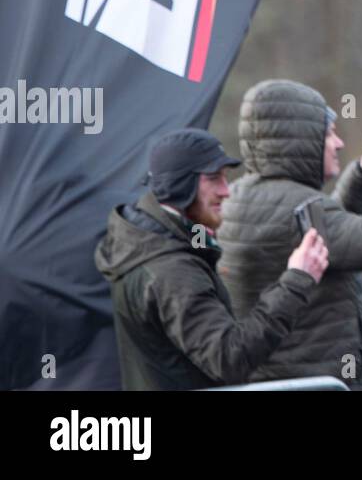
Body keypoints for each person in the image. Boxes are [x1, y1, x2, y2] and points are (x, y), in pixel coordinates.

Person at [218, 81, 362, 388]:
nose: (339, 143)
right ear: (301, 140)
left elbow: (328, 231)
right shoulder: (300, 207)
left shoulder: (237, 198)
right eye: (328, 133)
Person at [94, 127, 328, 390]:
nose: (226, 191)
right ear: (181, 185)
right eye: (214, 178)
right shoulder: (172, 271)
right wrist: (297, 281)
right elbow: (230, 358)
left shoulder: (147, 241)